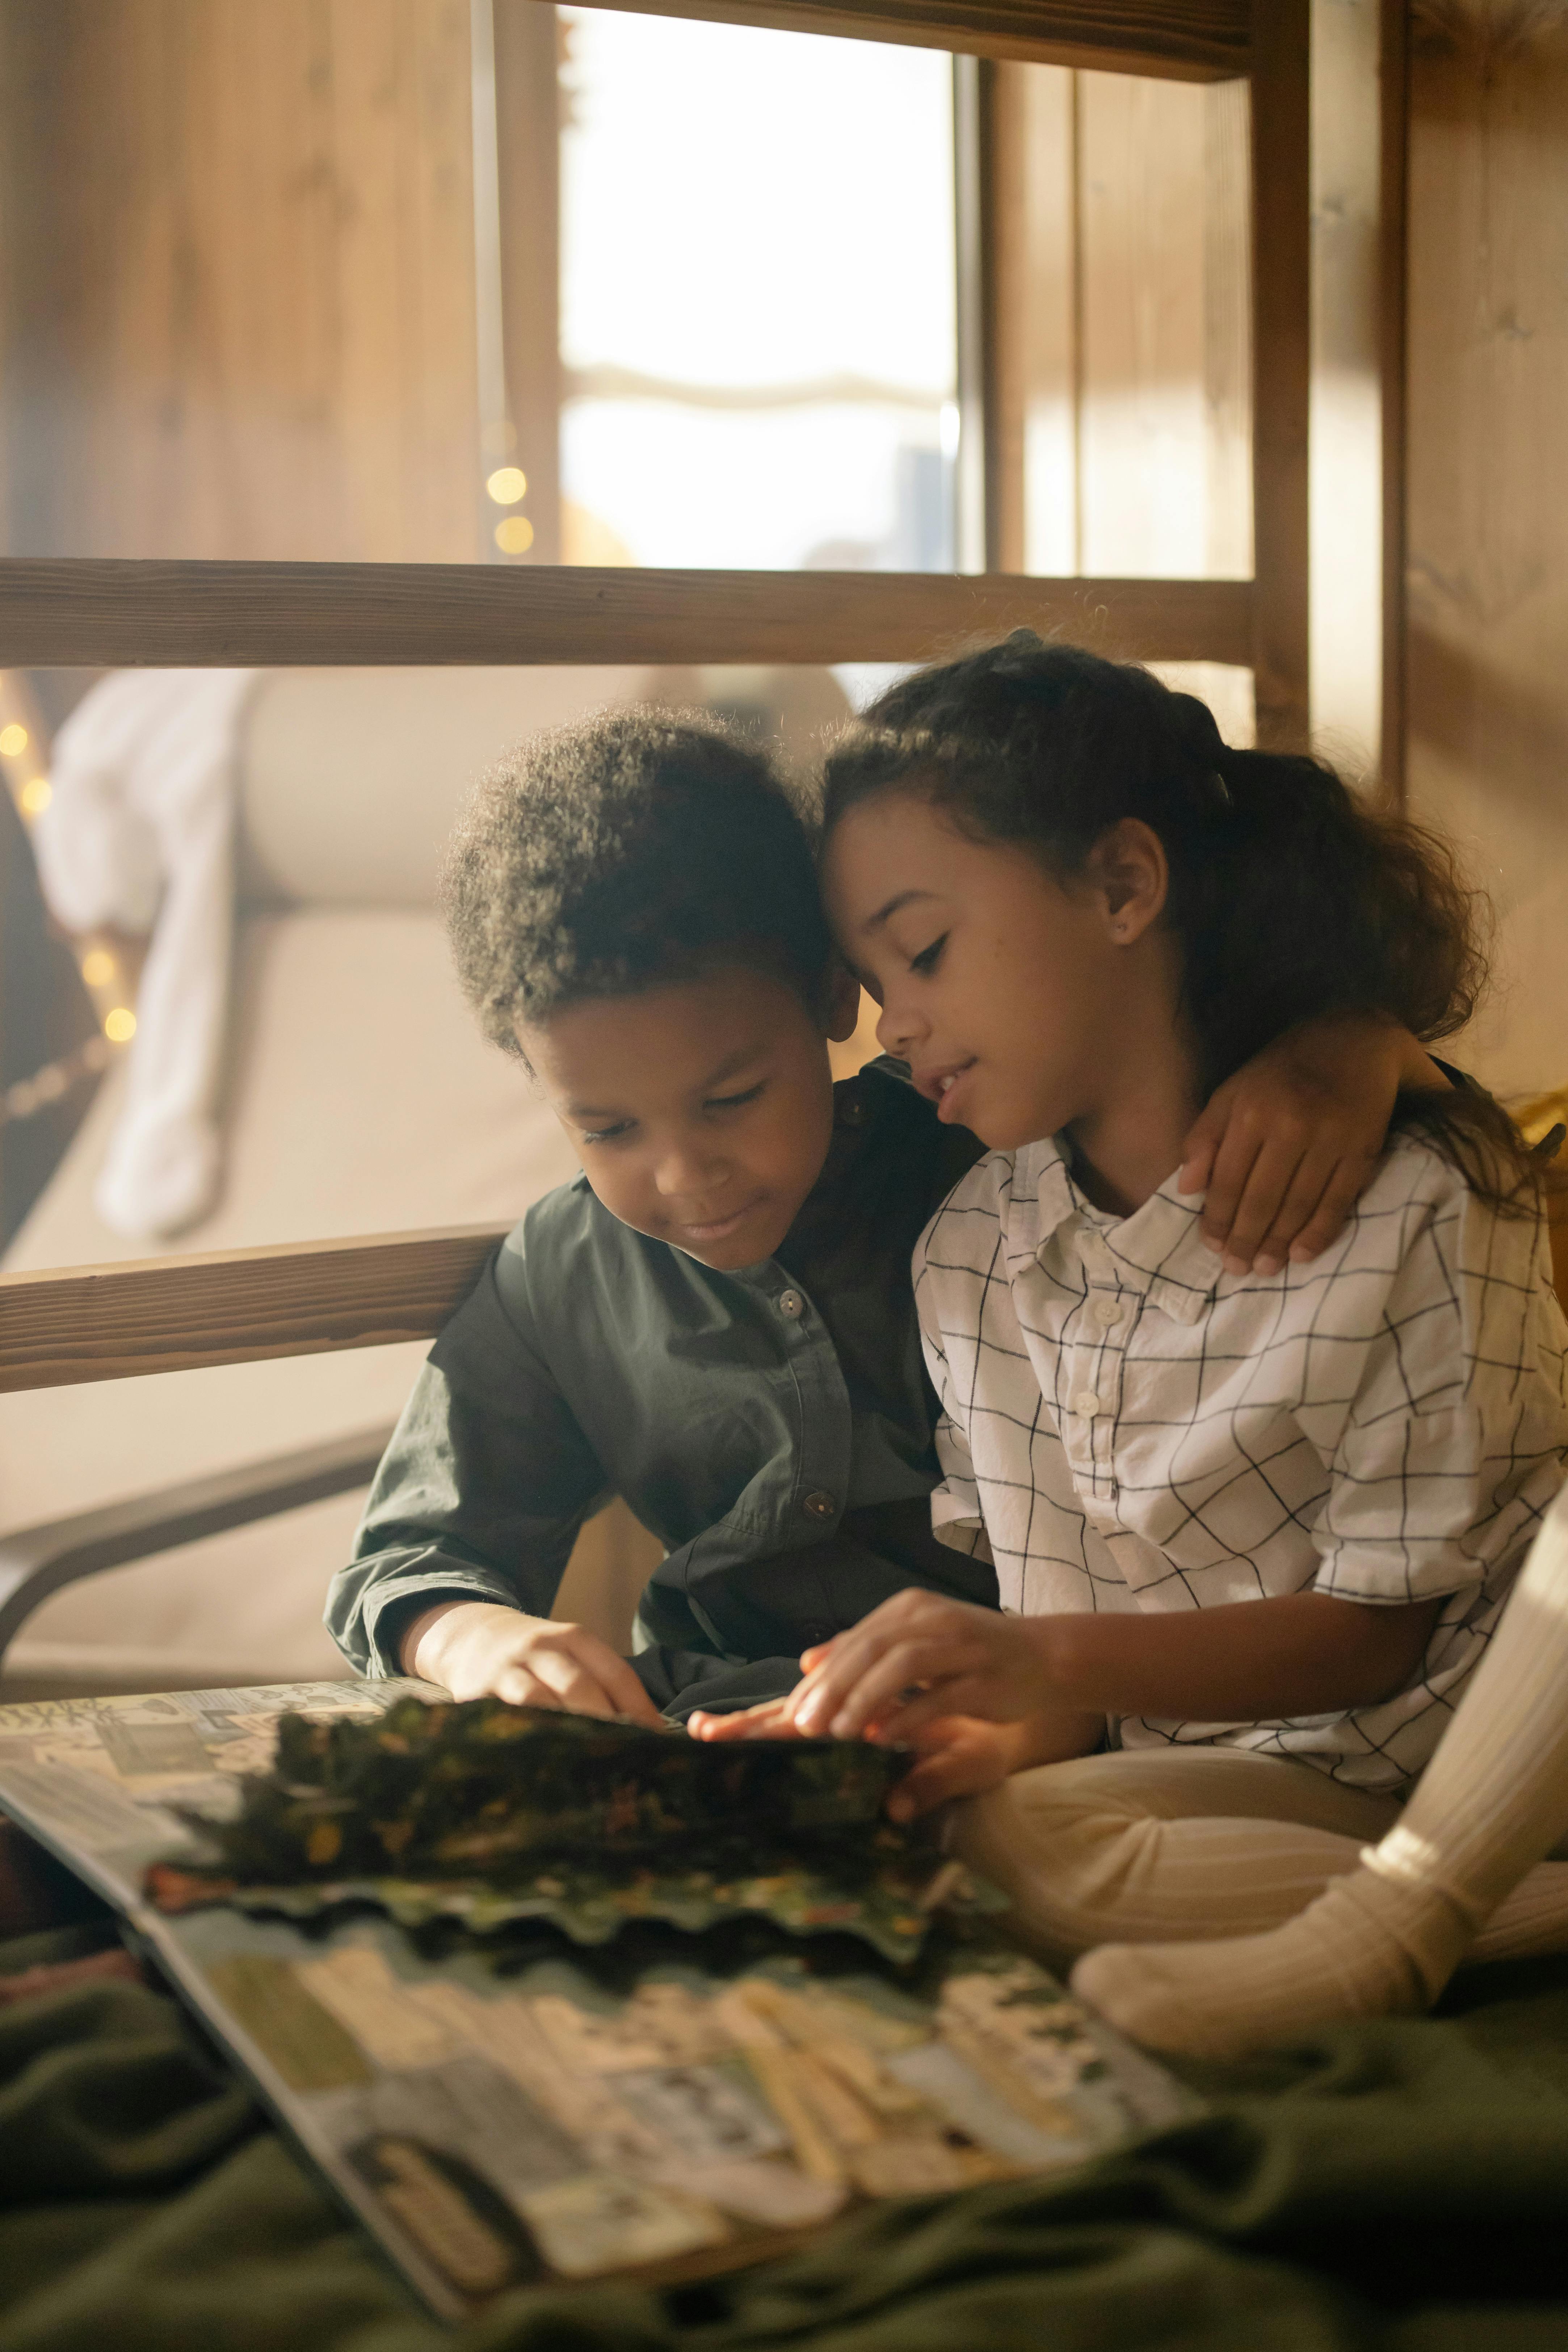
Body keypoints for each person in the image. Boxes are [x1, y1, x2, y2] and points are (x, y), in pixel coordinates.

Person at [697, 633, 1568, 2056]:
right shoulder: (973, 1253)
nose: (896, 1026)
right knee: (983, 1841)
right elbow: (1087, 1689)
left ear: (1122, 884)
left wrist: (1036, 1656)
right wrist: (958, 1737)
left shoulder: (1413, 1193)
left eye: (922, 951)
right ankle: (1447, 1919)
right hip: (1247, 1797)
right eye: (873, 980)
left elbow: (1380, 1638)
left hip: (1469, 1760)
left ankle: (1430, 1912)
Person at [326, 706, 1431, 1724]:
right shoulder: (560, 1274)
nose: (685, 1176)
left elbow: (1249, 1106)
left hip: (1030, 1725)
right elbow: (409, 1554)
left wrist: (1347, 1044)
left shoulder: (993, 1152)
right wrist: (475, 1638)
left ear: (828, 993)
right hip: (708, 1727)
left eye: (730, 1100)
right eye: (607, 1129)